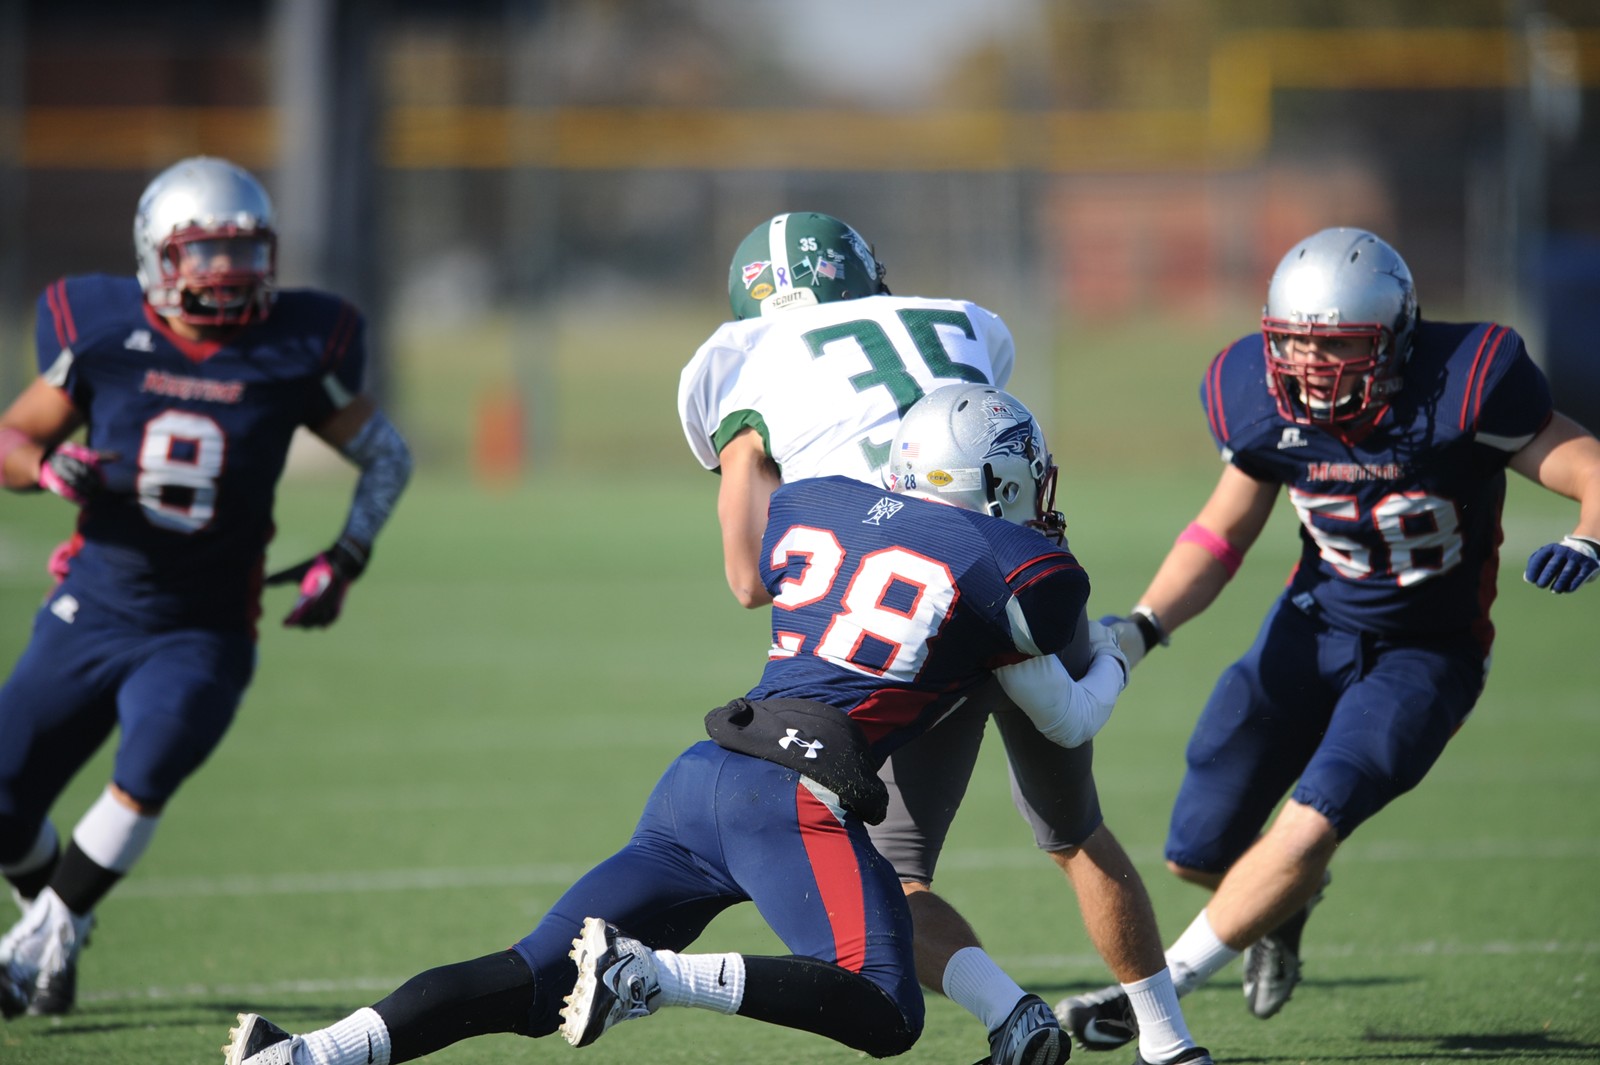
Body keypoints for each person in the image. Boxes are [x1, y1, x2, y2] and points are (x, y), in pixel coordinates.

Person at [221, 385, 1147, 1065]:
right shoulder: (1011, 566)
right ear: (1002, 483)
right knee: (883, 1006)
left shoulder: (820, 501)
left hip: (702, 774)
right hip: (793, 797)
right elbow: (1070, 719)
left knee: (533, 975)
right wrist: (1126, 644)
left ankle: (308, 1054)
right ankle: (654, 976)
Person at [678, 212, 1211, 1065]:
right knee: (1077, 833)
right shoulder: (964, 319)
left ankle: (1011, 1016)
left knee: (893, 873)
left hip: (908, 623)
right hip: (1024, 580)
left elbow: (747, 579)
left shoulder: (751, 356)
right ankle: (1170, 1041)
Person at [1056, 227, 1600, 1048]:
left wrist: (1589, 534)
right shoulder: (1256, 394)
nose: (1315, 365)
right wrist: (1143, 624)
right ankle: (1287, 903)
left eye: (1341, 344)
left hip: (1429, 650)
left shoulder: (1467, 384)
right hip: (1311, 626)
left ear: (1397, 337)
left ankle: (1153, 995)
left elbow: (1590, 467)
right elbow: (1221, 532)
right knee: (1199, 851)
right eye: (1298, 344)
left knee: (1307, 824)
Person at [0, 156, 412, 1018]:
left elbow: (387, 452)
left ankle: (40, 938)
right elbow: (11, 437)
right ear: (155, 255)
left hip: (206, 624)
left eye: (245, 249)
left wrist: (350, 550)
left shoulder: (300, 341)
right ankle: (52, 918)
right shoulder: (102, 328)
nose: (228, 271)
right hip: (93, 606)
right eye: (206, 250)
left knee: (150, 762)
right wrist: (46, 466)